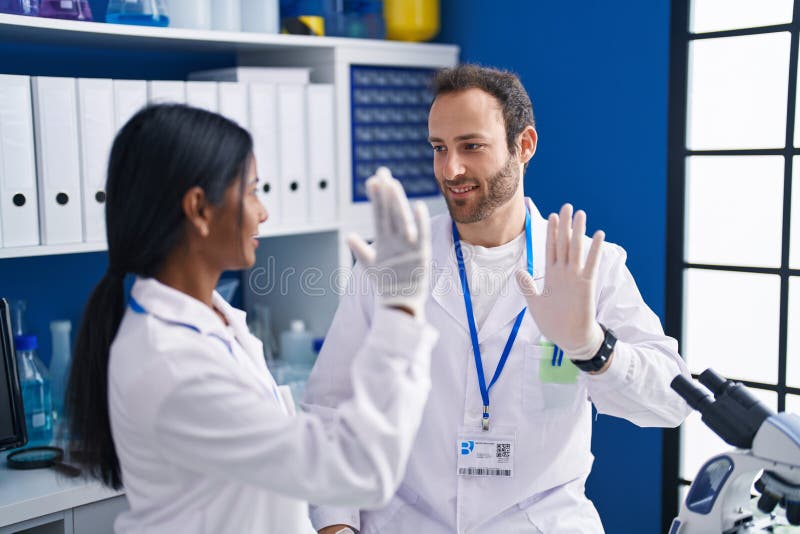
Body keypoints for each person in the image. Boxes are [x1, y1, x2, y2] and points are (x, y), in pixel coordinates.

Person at [304, 64, 692, 533]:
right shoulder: (392, 262)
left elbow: (673, 403)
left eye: (471, 146)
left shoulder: (591, 266)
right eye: (439, 148)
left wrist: (593, 348)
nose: (451, 169)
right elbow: (331, 407)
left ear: (523, 145)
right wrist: (335, 526)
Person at [64, 104, 438, 533]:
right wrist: (400, 315)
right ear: (200, 209)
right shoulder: (175, 365)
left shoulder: (216, 321)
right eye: (252, 192)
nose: (263, 213)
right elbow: (356, 471)